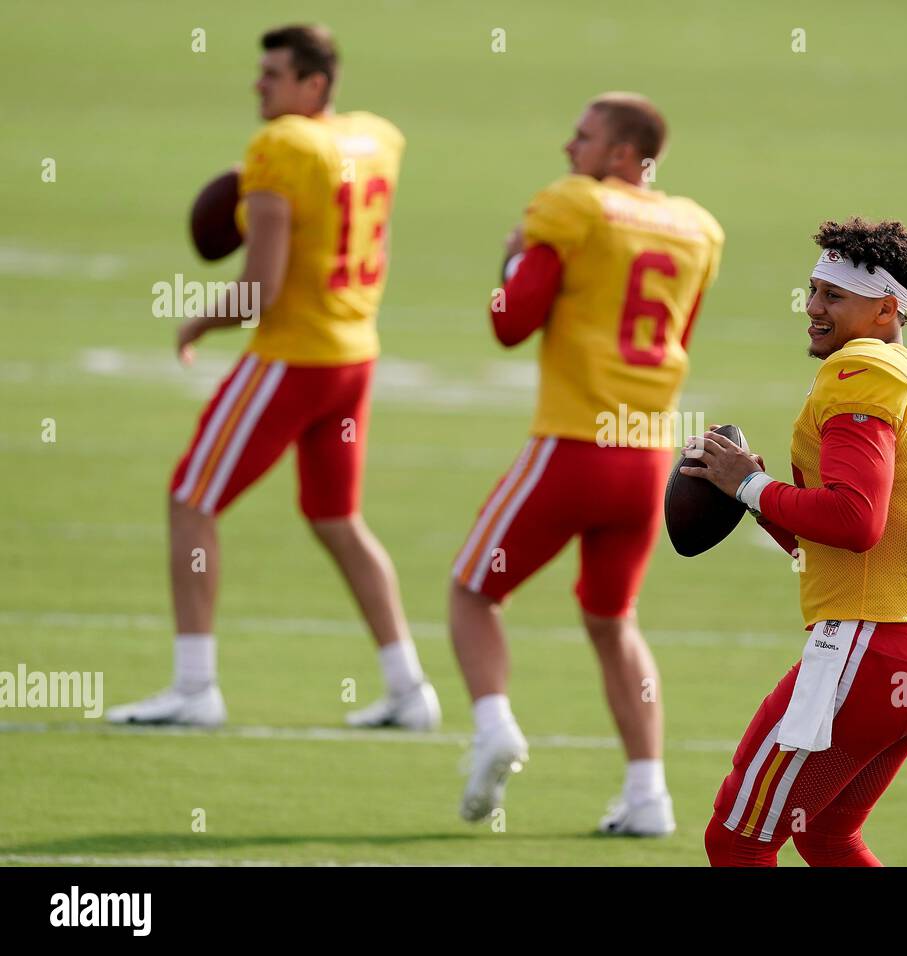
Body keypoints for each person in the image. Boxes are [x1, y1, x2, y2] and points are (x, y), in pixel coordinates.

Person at [107, 24, 439, 731]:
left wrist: (200, 321)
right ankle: (409, 687)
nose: (258, 84)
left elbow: (259, 288)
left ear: (313, 84)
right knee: (336, 519)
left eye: (274, 74)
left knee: (190, 499)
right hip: (354, 355)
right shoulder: (376, 136)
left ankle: (195, 687)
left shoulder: (281, 148)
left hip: (294, 358)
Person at [450, 92, 724, 835]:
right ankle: (648, 794)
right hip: (648, 458)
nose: (567, 146)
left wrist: (513, 256)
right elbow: (681, 332)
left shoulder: (575, 206)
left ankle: (494, 726)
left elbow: (511, 323)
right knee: (613, 619)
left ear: (620, 155)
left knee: (472, 591)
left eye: (583, 136)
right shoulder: (697, 228)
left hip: (574, 445)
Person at [687, 218, 907, 865]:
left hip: (867, 650)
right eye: (813, 290)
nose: (812, 307)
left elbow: (855, 520)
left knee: (736, 839)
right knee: (825, 835)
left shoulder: (860, 369)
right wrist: (749, 496)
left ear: (885, 310)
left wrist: (753, 485)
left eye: (833, 297)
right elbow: (848, 539)